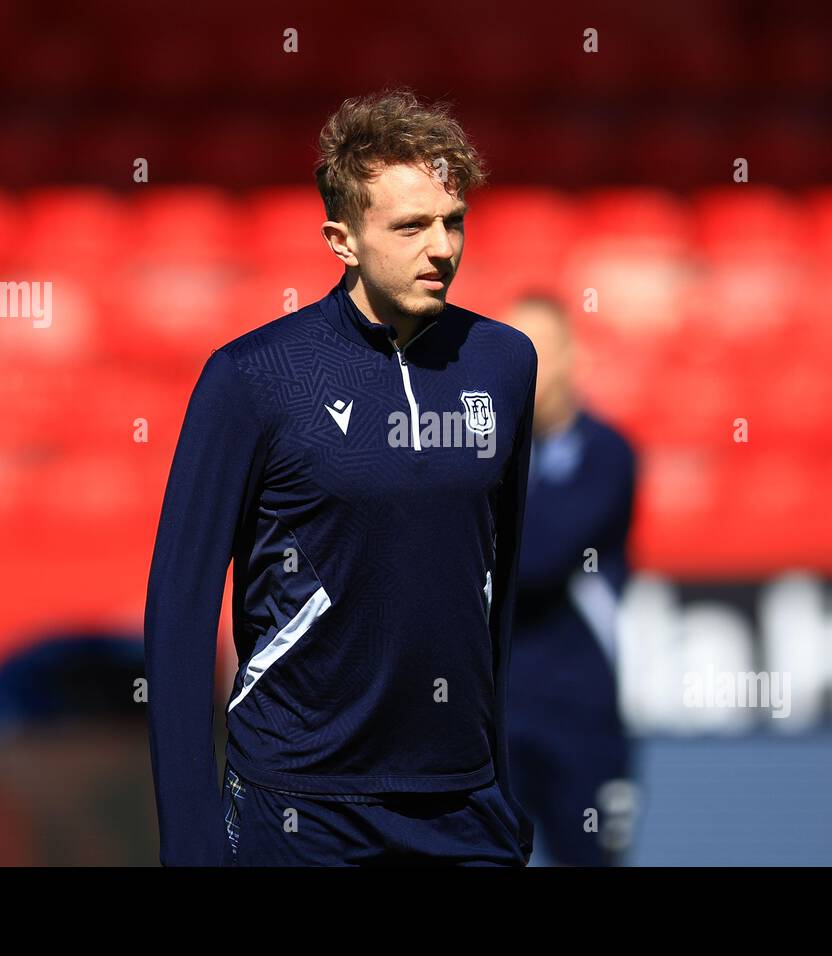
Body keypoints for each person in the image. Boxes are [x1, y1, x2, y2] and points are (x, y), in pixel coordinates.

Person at [144, 88, 539, 866]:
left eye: (453, 221)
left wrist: (500, 784)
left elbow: (498, 587)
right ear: (343, 239)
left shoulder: (504, 363)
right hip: (299, 809)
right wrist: (189, 839)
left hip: (462, 809)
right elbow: (179, 616)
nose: (443, 248)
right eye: (411, 226)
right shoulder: (253, 377)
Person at [501, 294, 639, 866]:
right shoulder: (484, 450)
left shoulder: (606, 455)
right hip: (494, 716)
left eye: (537, 351)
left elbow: (538, 558)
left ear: (569, 357)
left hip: (579, 717)